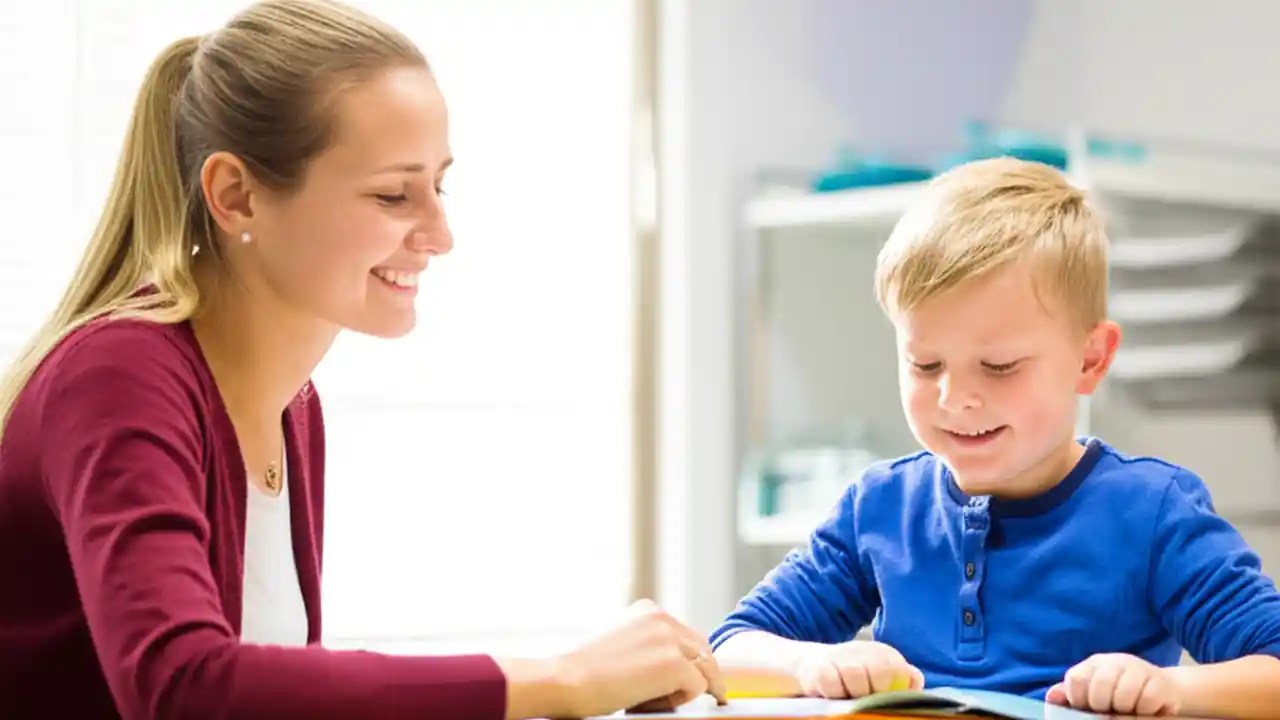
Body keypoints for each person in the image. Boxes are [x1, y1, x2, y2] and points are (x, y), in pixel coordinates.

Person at [0, 1, 726, 718]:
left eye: (437, 186)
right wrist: (558, 680)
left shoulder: (293, 405)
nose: (440, 235)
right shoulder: (119, 375)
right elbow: (182, 686)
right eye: (392, 194)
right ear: (236, 195)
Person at [709, 157, 1280, 718]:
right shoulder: (878, 509)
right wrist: (809, 664)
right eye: (926, 364)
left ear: (1090, 359)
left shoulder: (1152, 514)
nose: (954, 399)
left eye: (1000, 366)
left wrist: (1171, 688)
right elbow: (729, 650)